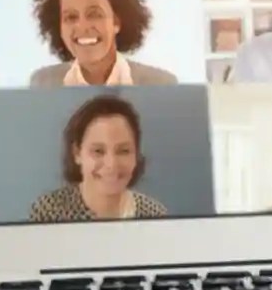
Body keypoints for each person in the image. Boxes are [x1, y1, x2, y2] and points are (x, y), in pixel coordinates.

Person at [29, 0, 177, 87]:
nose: (82, 26)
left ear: (117, 22)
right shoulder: (42, 83)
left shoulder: (162, 84)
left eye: (94, 14)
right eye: (71, 17)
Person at [29, 94, 169, 221]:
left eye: (123, 151)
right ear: (77, 153)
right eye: (98, 151)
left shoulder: (155, 214)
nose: (111, 164)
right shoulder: (48, 212)